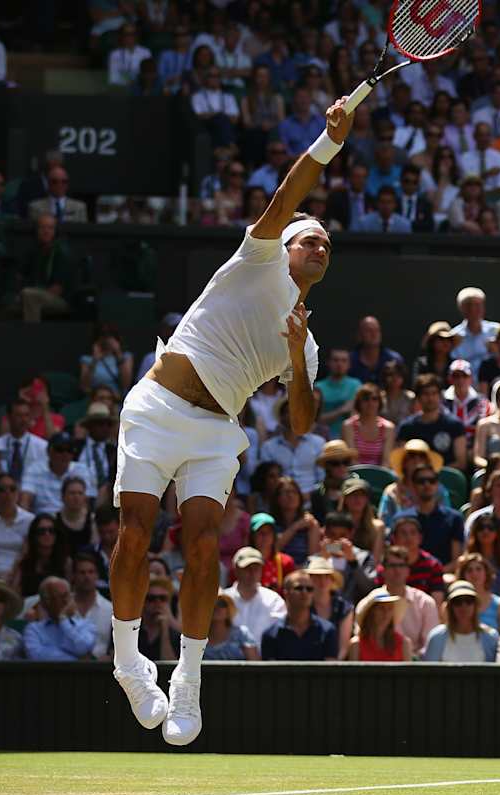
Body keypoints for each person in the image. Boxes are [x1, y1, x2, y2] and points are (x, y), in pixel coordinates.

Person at [106, 96, 352, 742]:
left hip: (217, 432)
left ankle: (188, 676)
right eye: (311, 238)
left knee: (202, 543)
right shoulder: (258, 257)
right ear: (286, 244)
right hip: (158, 407)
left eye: (327, 244)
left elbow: (301, 422)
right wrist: (327, 144)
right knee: (135, 532)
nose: (319, 246)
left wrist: (297, 356)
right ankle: (129, 660)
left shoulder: (310, 340)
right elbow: (289, 192)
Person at [363, 545, 440, 650]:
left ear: (408, 570)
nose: (397, 570)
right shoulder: (371, 601)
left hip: (416, 663)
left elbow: (430, 645)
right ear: (383, 570)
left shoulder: (425, 602)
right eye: (392, 565)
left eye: (401, 565)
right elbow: (363, 639)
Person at [260, 569, 339, 661]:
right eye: (299, 588)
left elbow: (330, 671)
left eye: (309, 589)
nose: (304, 592)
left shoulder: (327, 631)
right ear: (286, 593)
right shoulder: (271, 634)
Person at [422, 580, 499, 662]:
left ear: (475, 605)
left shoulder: (490, 637)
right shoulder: (436, 637)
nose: (463, 607)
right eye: (457, 602)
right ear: (450, 607)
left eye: (469, 601)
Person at [24, 576, 98, 661]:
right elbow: (36, 656)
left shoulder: (86, 625)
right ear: (46, 602)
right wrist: (76, 659)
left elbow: (82, 649)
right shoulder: (33, 629)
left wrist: (63, 619)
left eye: (67, 595)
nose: (66, 601)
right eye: (60, 597)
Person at [222, 546, 286, 641]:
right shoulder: (223, 599)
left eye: (256, 568)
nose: (252, 573)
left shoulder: (273, 600)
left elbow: (281, 634)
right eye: (247, 568)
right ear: (236, 570)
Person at [348, 593, 411, 661]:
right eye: (381, 608)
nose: (386, 613)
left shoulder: (404, 644)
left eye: (389, 608)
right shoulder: (356, 645)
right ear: (371, 612)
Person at [202, 592, 259, 661]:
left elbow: (255, 665)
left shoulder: (242, 634)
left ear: (229, 609)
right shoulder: (198, 636)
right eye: (212, 603)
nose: (217, 607)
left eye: (222, 604)